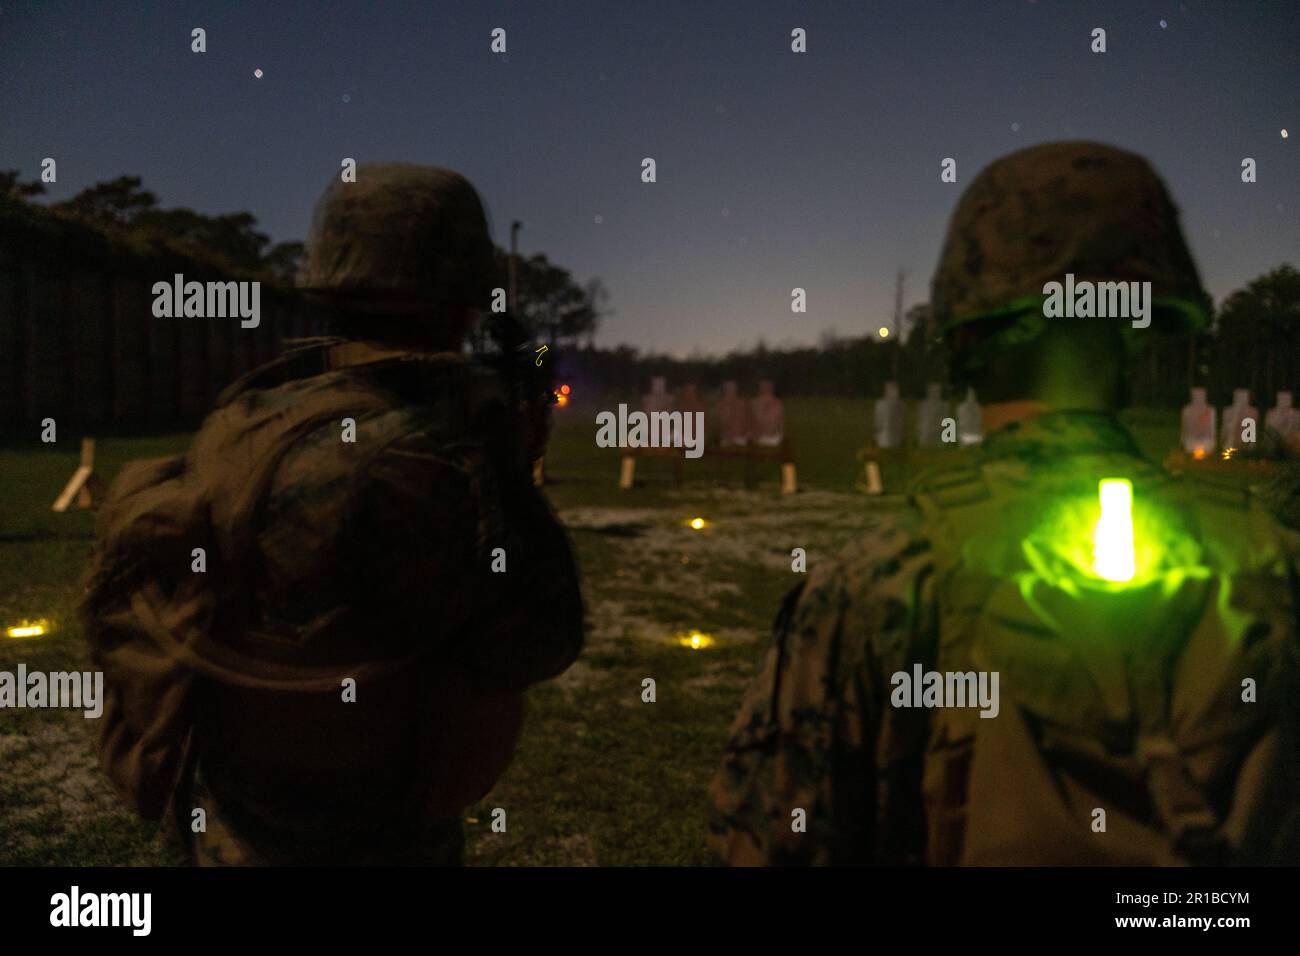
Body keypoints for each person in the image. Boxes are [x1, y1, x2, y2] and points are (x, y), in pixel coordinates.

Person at [708, 142, 1299, 866]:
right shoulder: (1277, 558)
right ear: (1140, 332)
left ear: (965, 339)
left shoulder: (877, 586)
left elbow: (770, 845)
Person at [83, 162, 583, 865]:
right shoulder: (417, 460)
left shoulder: (249, 415)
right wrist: (512, 466)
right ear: (460, 301)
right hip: (359, 843)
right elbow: (543, 637)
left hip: (221, 822)